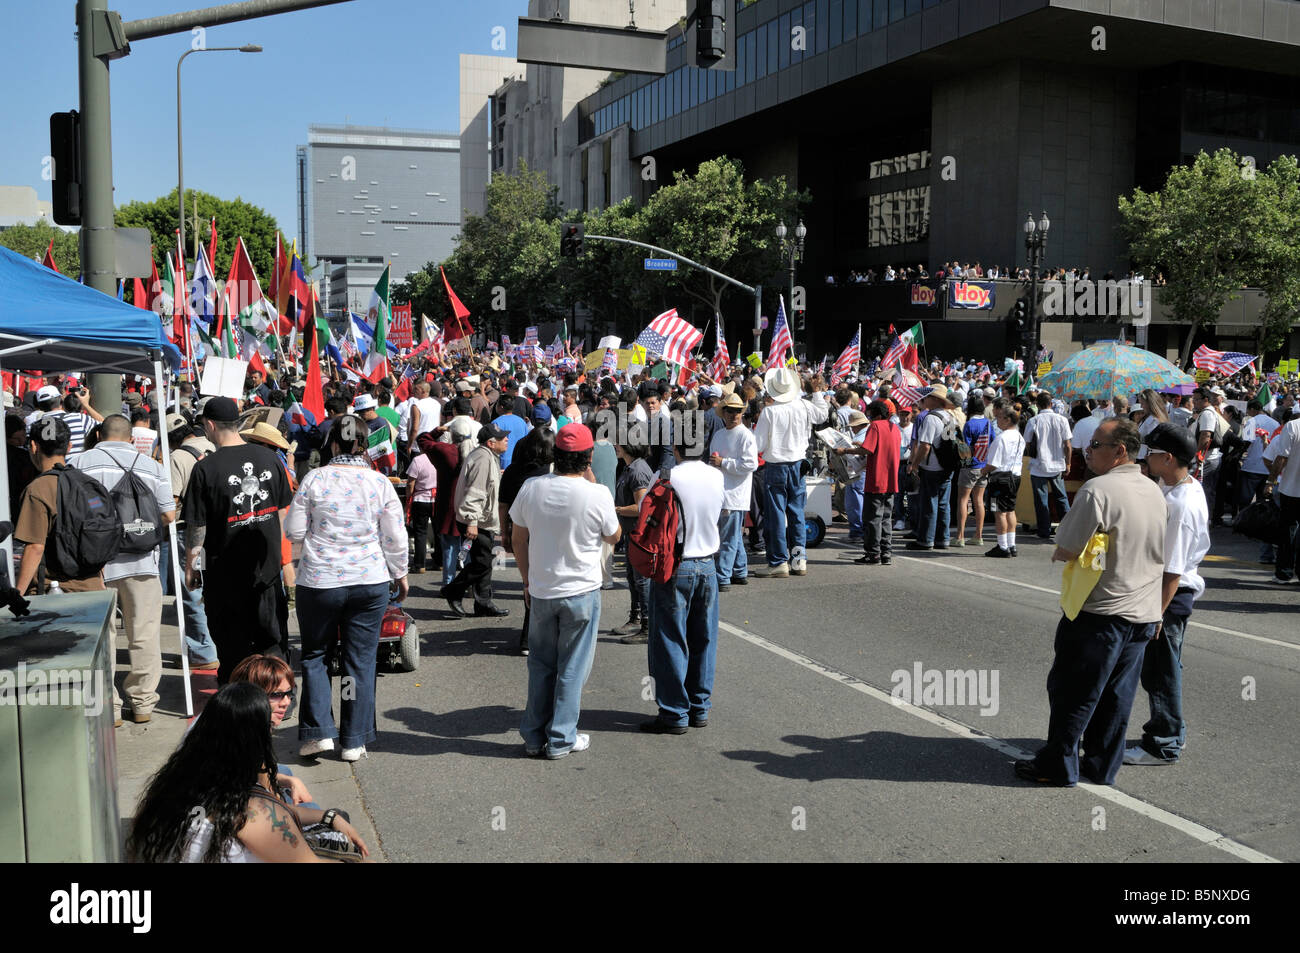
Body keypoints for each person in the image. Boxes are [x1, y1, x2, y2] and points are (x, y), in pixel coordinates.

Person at [1016, 418, 1167, 787]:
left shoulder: (1098, 490)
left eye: (1096, 444)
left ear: (1120, 451)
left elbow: (1066, 545)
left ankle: (1057, 765)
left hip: (1102, 612)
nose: (1088, 450)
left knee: (1072, 692)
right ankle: (1100, 766)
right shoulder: (1154, 489)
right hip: (1142, 610)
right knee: (1117, 696)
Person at [128, 682, 369, 863]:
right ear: (254, 741)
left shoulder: (185, 781)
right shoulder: (252, 809)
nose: (285, 702)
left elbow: (272, 815)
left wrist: (328, 817)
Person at [286, 413, 409, 762]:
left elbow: (294, 531)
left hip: (321, 580)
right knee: (359, 660)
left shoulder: (314, 479)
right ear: (364, 444)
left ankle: (319, 731)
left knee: (315, 655)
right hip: (368, 580)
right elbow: (394, 536)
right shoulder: (379, 482)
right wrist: (400, 573)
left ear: (333, 443)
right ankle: (354, 739)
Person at [512, 424, 620, 759]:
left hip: (543, 590)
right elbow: (614, 536)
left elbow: (517, 538)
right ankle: (561, 738)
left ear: (555, 456)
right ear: (588, 458)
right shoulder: (597, 493)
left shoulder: (532, 487)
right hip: (581, 592)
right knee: (572, 667)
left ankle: (533, 737)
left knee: (541, 665)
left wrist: (527, 580)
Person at [183, 396, 293, 684]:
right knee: (273, 644)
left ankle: (237, 705)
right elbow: (283, 516)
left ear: (209, 425)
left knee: (232, 649)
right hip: (267, 573)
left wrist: (193, 568)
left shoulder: (205, 469)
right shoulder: (270, 458)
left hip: (224, 577)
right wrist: (282, 561)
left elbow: (198, 530)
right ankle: (278, 695)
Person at [74, 415, 176, 724]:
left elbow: (74, 514)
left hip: (96, 566)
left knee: (101, 637)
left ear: (98, 434)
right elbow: (169, 515)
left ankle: (111, 706)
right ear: (131, 438)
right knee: (144, 634)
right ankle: (143, 702)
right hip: (143, 563)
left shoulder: (79, 463)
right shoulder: (153, 466)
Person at [1125, 423, 1209, 766]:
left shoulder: (1182, 504)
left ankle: (1164, 742)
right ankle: (1173, 730)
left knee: (1161, 671)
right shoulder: (1177, 487)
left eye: (1153, 454)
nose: (1147, 458)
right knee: (1166, 666)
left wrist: (1155, 613)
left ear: (1168, 458)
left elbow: (1172, 568)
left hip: (1168, 595)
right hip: (1165, 591)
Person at [641, 417, 724, 734]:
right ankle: (699, 706)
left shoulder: (668, 477)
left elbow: (646, 512)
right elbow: (723, 512)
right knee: (704, 637)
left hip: (675, 563)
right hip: (707, 562)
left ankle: (675, 712)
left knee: (670, 638)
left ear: (676, 448)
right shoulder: (716, 477)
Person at [13, 416, 106, 596]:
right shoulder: (88, 484)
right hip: (93, 588)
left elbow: (35, 547)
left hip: (53, 592)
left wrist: (17, 594)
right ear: (69, 446)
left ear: (33, 446)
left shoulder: (37, 489)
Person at [753, 368, 830, 577]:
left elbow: (758, 444)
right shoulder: (804, 405)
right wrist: (817, 391)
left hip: (776, 465)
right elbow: (823, 414)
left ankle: (779, 561)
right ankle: (798, 559)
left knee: (776, 515)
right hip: (798, 463)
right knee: (796, 512)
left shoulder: (769, 412)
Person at [440, 423, 509, 617]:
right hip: (476, 518)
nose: (506, 439)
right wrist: (472, 520)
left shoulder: (487, 456)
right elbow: (475, 491)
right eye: (502, 437)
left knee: (485, 562)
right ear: (490, 442)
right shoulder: (483, 458)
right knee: (483, 563)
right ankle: (453, 591)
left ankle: (483, 603)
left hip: (482, 518)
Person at [499, 425, 555, 654]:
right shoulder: (550, 472)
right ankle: (532, 637)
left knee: (529, 581)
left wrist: (504, 533)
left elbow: (503, 505)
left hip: (519, 532)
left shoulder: (512, 471)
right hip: (545, 533)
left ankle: (529, 637)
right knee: (541, 582)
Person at [710, 392, 759, 590]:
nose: (734, 414)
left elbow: (751, 464)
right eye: (730, 411)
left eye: (738, 411)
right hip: (722, 491)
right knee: (732, 535)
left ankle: (723, 576)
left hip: (735, 493)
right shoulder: (719, 434)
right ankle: (739, 570)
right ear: (724, 413)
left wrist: (724, 463)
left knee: (728, 537)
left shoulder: (746, 435)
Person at [906, 384, 960, 550]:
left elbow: (925, 446)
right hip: (948, 465)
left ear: (934, 399)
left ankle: (926, 539)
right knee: (944, 504)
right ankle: (943, 539)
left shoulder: (931, 418)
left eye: (927, 397)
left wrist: (915, 465)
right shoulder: (950, 417)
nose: (924, 399)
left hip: (932, 467)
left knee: (929, 503)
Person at [613, 437, 656, 643]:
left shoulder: (638, 470)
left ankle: (648, 625)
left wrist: (617, 510)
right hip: (632, 534)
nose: (615, 446)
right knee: (633, 577)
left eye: (618, 443)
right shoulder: (629, 467)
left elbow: (641, 507)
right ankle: (636, 618)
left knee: (641, 580)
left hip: (640, 534)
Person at [849, 401, 901, 565]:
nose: (869, 418)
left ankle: (873, 554)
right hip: (891, 479)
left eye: (870, 415)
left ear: (877, 414)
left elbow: (868, 450)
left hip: (877, 479)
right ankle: (886, 553)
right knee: (886, 518)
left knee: (872, 519)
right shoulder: (894, 429)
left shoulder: (876, 426)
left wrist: (846, 450)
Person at [1025, 391, 1072, 538]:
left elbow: (1027, 443)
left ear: (1037, 405)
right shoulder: (1062, 420)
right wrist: (1068, 463)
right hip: (1057, 464)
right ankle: (1069, 529)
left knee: (1041, 500)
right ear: (1051, 404)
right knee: (1061, 498)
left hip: (1038, 465)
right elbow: (1068, 445)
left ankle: (1043, 530)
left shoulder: (1034, 421)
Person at [983, 408, 1026, 558]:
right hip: (1015, 476)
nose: (997, 420)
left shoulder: (1002, 438)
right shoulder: (1020, 436)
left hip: (1000, 477)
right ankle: (1011, 544)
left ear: (1008, 419)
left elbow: (993, 463)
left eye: (1000, 417)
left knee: (999, 512)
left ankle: (1002, 546)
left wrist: (982, 472)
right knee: (1010, 510)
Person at [1263, 412, 1300, 584]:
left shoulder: (1293, 426)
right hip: (1291, 488)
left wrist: (1270, 481)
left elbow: (1281, 458)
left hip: (1292, 489)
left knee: (1287, 533)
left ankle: (1284, 573)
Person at [955, 395, 992, 547]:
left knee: (963, 500)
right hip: (984, 465)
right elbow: (992, 441)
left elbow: (965, 448)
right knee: (979, 501)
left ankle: (960, 536)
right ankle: (978, 535)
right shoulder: (988, 423)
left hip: (970, 465)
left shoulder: (969, 424)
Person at [404, 439, 438, 574]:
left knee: (420, 532)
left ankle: (419, 564)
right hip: (437, 499)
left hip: (420, 499)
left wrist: (408, 497)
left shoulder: (418, 460)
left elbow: (410, 483)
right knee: (438, 531)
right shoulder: (438, 458)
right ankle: (439, 562)